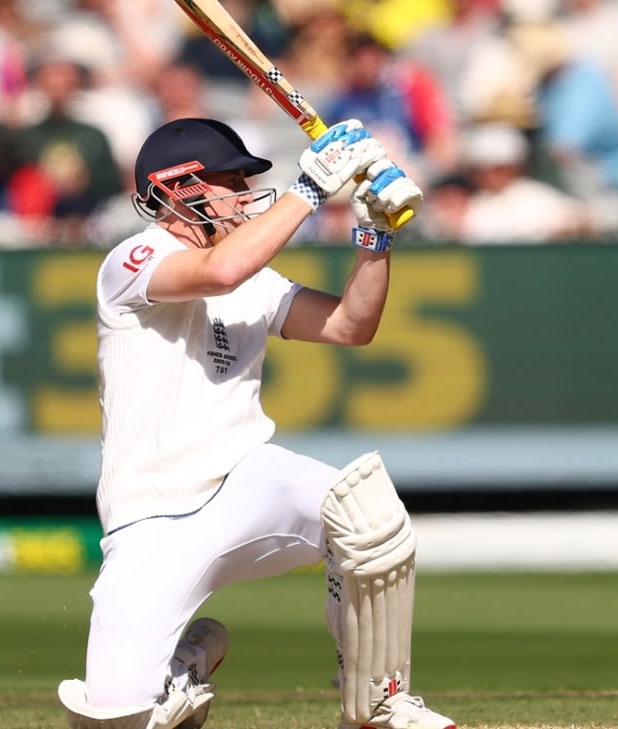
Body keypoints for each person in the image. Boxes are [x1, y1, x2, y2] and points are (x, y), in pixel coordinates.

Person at [55, 116, 455, 729]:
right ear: (182, 188)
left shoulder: (253, 278)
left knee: (366, 518)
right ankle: (178, 672)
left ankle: (378, 700)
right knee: (118, 717)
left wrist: (374, 239)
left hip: (246, 476)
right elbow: (220, 272)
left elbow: (351, 326)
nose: (245, 196)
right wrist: (311, 190)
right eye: (233, 183)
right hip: (153, 513)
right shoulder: (134, 258)